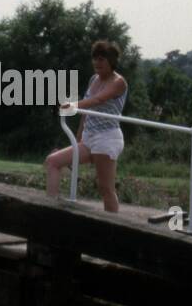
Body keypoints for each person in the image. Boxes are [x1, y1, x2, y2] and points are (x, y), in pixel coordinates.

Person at [45, 40, 129, 212]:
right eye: (95, 59)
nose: (97, 63)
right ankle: (49, 211)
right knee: (53, 162)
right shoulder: (94, 79)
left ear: (111, 61)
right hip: (88, 137)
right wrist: (78, 139)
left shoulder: (119, 82)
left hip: (107, 138)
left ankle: (114, 231)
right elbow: (87, 110)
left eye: (102, 59)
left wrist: (71, 105)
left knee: (105, 188)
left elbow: (98, 100)